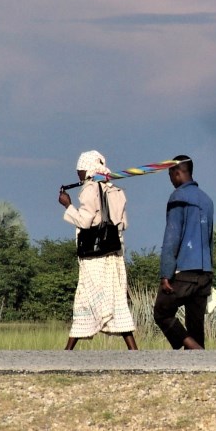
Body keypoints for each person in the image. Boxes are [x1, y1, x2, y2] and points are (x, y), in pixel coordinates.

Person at [58, 150, 138, 351]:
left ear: (86, 169)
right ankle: (133, 350)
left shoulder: (89, 188)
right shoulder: (115, 190)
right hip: (114, 255)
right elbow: (123, 224)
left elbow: (85, 221)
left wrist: (68, 206)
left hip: (95, 257)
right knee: (116, 300)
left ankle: (67, 352)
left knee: (85, 298)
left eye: (79, 171)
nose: (78, 175)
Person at [153, 155, 214, 350]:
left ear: (177, 173)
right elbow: (209, 238)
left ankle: (195, 349)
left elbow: (172, 238)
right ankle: (198, 364)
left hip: (185, 271)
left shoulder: (178, 197)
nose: (171, 180)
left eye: (171, 175)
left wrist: (166, 274)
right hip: (205, 272)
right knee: (196, 328)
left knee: (162, 312)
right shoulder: (207, 200)